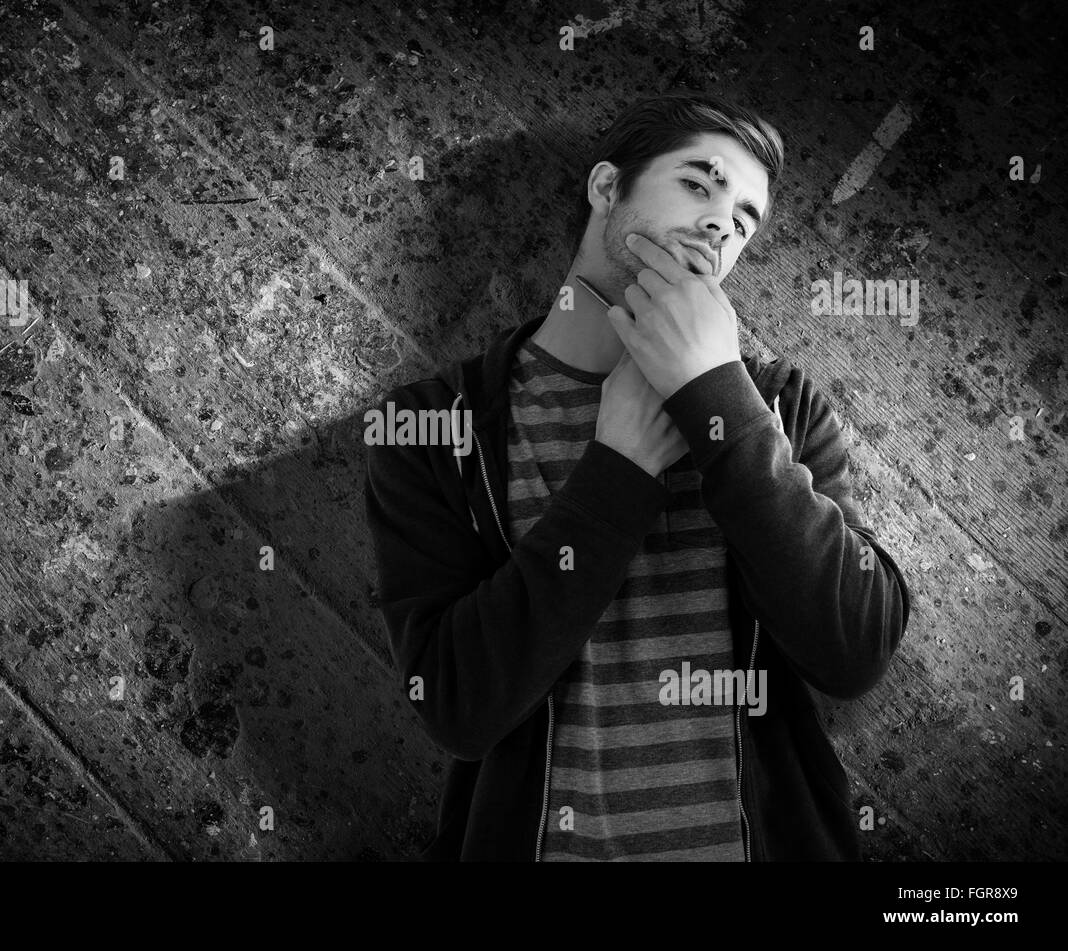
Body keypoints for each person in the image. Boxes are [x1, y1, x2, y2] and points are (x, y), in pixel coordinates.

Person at [363, 92, 911, 861]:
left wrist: (718, 392)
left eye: (746, 218)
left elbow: (855, 646)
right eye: (700, 183)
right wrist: (617, 470)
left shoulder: (779, 405)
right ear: (605, 187)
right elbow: (454, 704)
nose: (723, 223)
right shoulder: (431, 430)